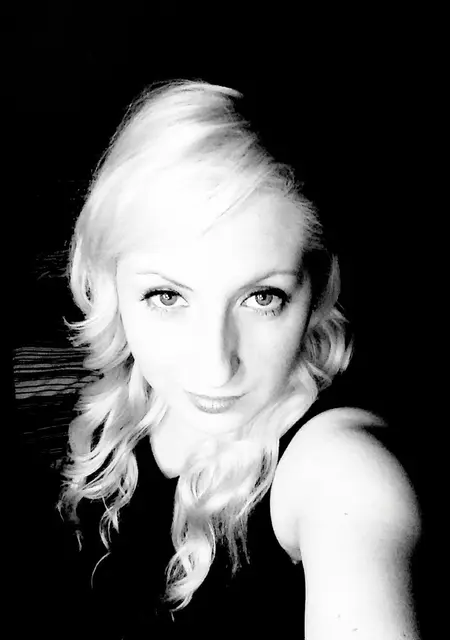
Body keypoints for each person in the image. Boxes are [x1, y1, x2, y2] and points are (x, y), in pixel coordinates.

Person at [57, 79, 422, 639]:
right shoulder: (127, 402)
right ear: (111, 287)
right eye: (167, 297)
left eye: (262, 298)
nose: (215, 369)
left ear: (314, 289)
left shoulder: (343, 473)